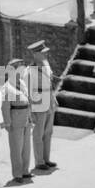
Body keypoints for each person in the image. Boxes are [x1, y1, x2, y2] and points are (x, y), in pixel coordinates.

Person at [25, 41, 58, 173]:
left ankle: (46, 159)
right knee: (38, 134)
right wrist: (30, 110)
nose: (46, 54)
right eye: (43, 53)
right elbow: (27, 91)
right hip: (38, 104)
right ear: (35, 54)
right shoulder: (29, 71)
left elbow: (49, 84)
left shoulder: (46, 66)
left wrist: (53, 99)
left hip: (48, 101)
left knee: (48, 132)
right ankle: (39, 162)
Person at [0, 60, 35, 182]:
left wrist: (30, 118)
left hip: (25, 118)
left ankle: (25, 171)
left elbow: (28, 101)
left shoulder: (21, 83)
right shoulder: (7, 87)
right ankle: (17, 174)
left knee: (26, 147)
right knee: (16, 148)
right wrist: (7, 123)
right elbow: (5, 107)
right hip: (15, 119)